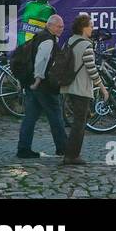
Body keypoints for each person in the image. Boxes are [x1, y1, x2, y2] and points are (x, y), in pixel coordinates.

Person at [16, 14, 68, 160]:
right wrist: (38, 79)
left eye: (62, 26)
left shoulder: (39, 36)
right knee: (56, 115)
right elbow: (41, 60)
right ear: (50, 25)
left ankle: (23, 149)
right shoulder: (47, 40)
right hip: (42, 85)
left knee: (30, 117)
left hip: (32, 84)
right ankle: (63, 148)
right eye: (58, 26)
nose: (61, 29)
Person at [59, 12, 108, 166]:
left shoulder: (70, 41)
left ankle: (69, 152)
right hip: (81, 88)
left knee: (79, 119)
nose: (92, 29)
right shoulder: (86, 45)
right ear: (83, 28)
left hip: (69, 87)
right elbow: (92, 70)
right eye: (91, 26)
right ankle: (72, 156)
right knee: (79, 124)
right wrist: (102, 88)